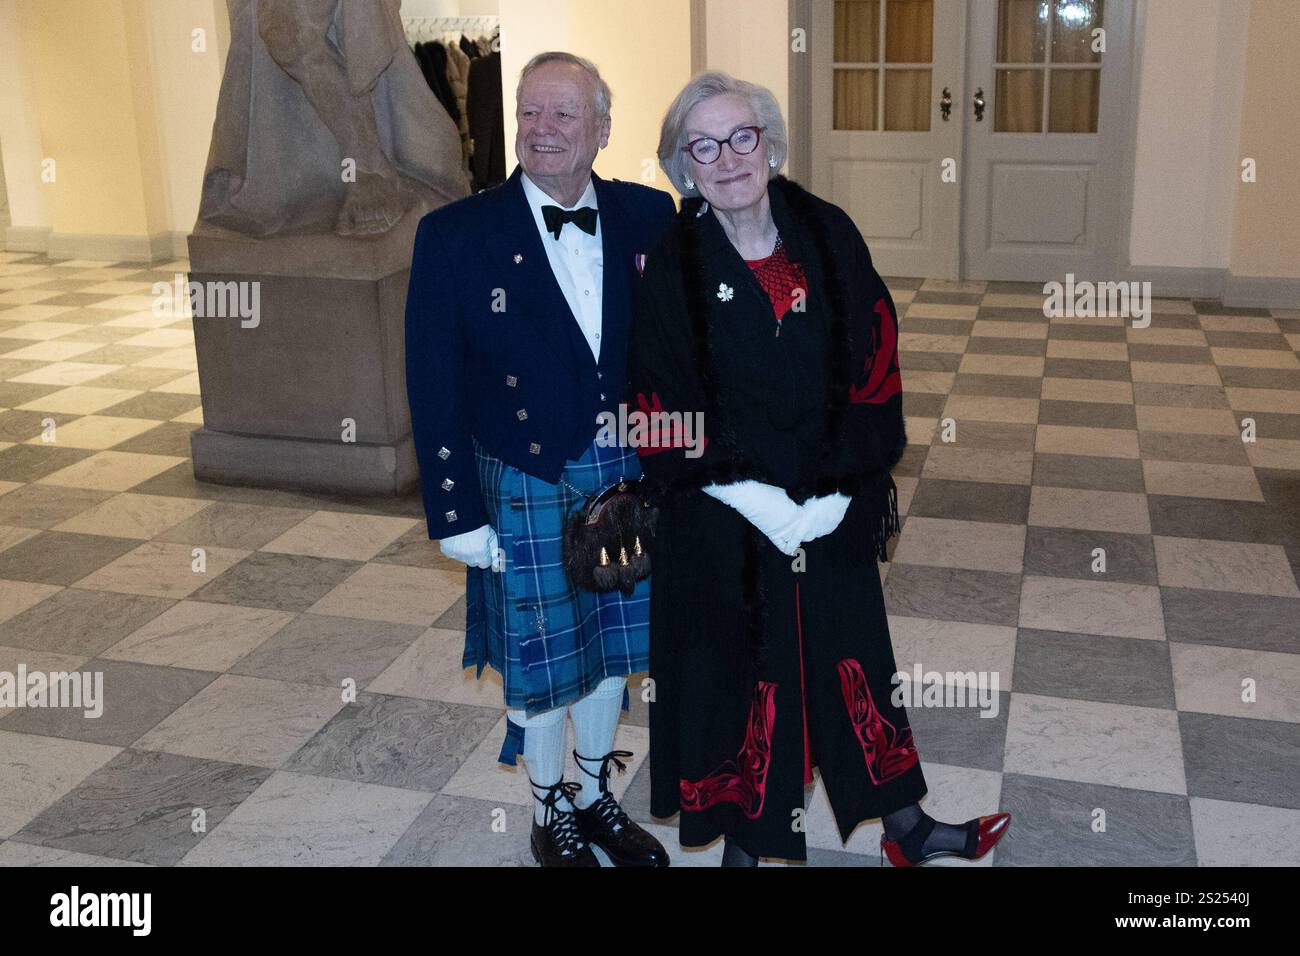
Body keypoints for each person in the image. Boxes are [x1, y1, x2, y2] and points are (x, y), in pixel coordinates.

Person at [627, 71, 1012, 866]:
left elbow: (876, 352)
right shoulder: (674, 265)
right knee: (744, 677)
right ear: (683, 164)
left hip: (830, 497)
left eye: (743, 136)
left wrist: (845, 482)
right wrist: (750, 495)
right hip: (724, 512)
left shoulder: (827, 232)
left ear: (770, 144)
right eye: (704, 144)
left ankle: (906, 828)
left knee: (851, 655)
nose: (728, 157)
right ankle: (746, 848)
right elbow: (659, 399)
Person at [405, 52, 675, 866]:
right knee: (548, 661)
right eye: (529, 113)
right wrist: (454, 514)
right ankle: (547, 805)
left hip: (624, 469)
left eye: (564, 115)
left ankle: (594, 795)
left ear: (601, 129)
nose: (542, 129)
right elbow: (432, 377)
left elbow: (679, 343)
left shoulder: (645, 214)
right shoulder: (457, 234)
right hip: (525, 472)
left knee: (611, 655)